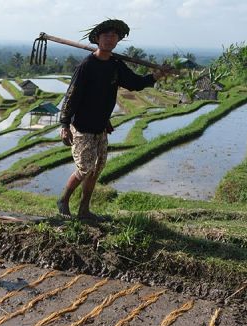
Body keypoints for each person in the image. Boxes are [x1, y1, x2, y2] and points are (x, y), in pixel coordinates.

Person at [58, 19, 168, 222]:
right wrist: (64, 125)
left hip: (100, 127)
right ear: (98, 39)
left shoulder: (116, 66)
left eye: (114, 36)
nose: (110, 39)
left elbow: (135, 83)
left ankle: (84, 210)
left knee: (96, 169)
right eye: (106, 35)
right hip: (82, 126)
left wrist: (156, 75)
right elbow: (71, 96)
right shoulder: (86, 66)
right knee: (84, 168)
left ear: (117, 40)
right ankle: (63, 200)